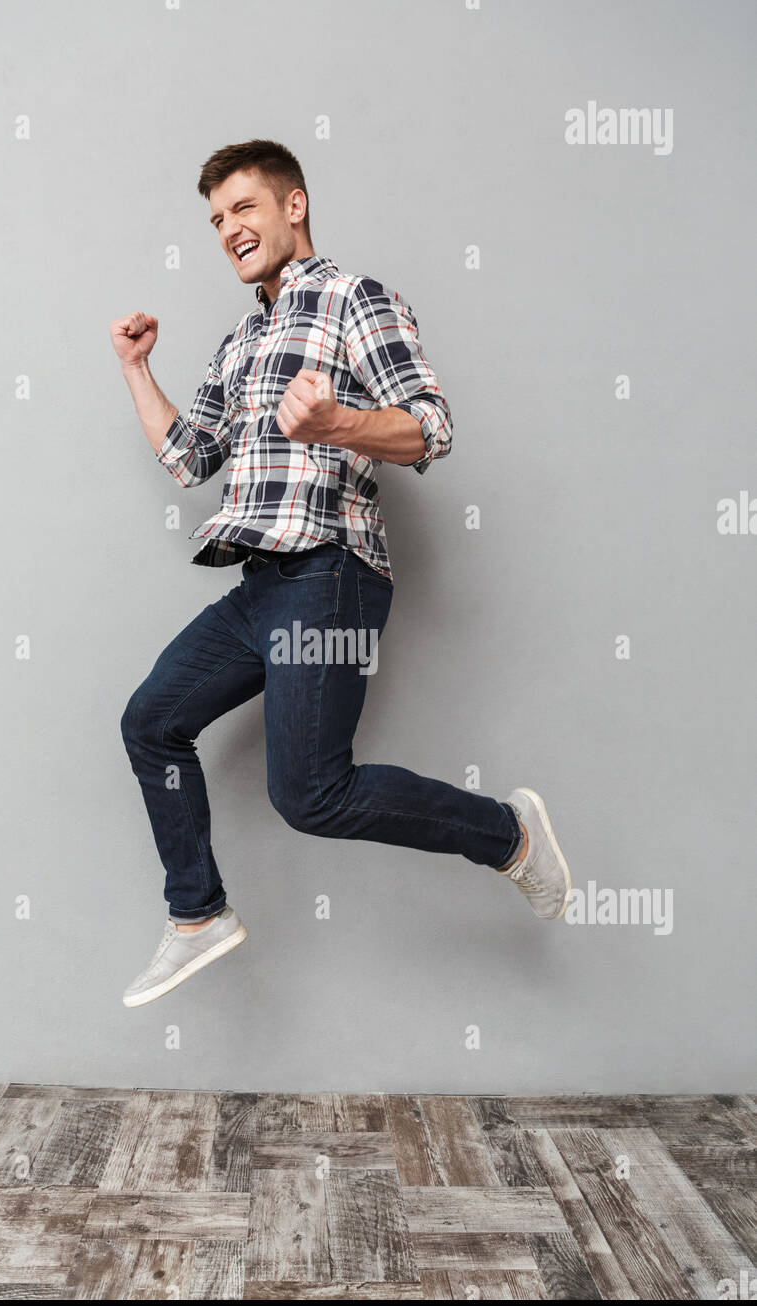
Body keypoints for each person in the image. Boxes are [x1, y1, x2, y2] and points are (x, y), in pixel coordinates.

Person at [110, 139, 571, 1009]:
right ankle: (197, 915)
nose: (229, 230)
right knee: (151, 722)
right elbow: (190, 457)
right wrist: (137, 369)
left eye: (243, 208)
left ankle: (508, 835)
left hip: (332, 575)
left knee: (310, 795)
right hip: (260, 586)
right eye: (215, 220)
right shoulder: (242, 337)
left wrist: (339, 424)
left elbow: (430, 426)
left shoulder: (354, 298)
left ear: (294, 205)